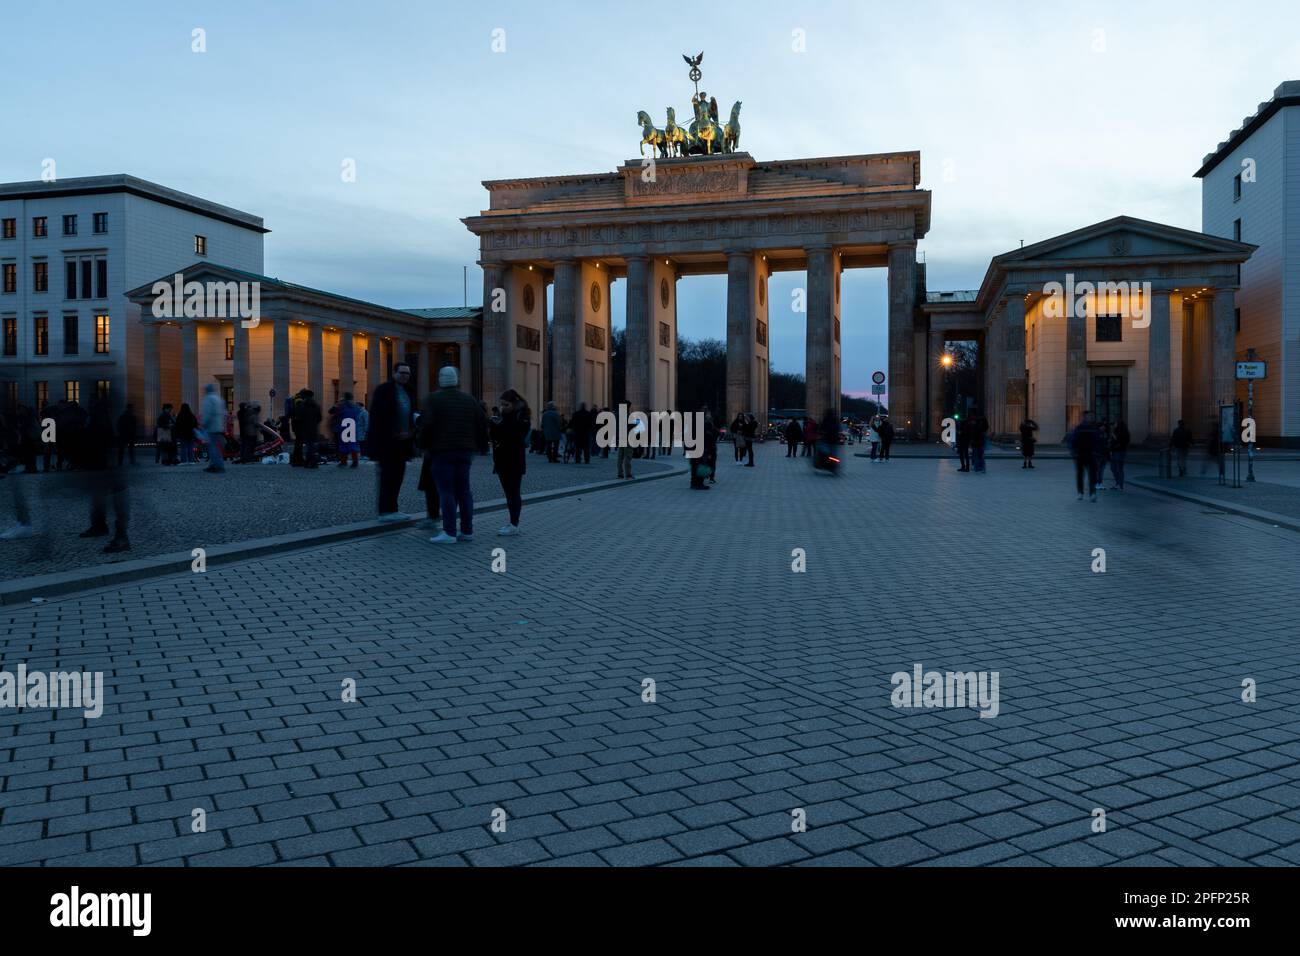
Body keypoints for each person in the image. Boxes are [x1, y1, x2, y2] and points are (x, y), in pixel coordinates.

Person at [422, 367, 489, 543]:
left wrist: (422, 445)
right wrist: (481, 447)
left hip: (441, 452)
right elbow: (482, 424)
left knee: (446, 492)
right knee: (464, 491)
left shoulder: (433, 399)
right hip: (465, 451)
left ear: (440, 379)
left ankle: (449, 532)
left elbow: (426, 425)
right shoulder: (469, 400)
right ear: (456, 380)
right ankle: (467, 531)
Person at [78, 396, 130, 553]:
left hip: (104, 467)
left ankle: (118, 536)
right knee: (104, 500)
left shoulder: (98, 421)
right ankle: (105, 528)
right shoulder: (103, 419)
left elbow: (99, 443)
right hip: (105, 467)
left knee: (112, 501)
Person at [368, 363, 416, 520]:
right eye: (402, 373)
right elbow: (378, 416)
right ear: (394, 373)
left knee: (398, 476)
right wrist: (393, 432)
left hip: (403, 442)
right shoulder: (384, 390)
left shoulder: (409, 391)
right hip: (387, 442)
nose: (404, 376)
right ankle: (385, 511)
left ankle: (393, 509)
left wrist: (410, 432)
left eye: (407, 373)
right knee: (387, 476)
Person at [490, 388, 531, 534]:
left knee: (513, 492)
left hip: (514, 459)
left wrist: (499, 426)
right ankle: (512, 522)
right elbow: (497, 436)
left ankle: (514, 523)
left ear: (514, 403)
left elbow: (515, 436)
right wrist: (493, 426)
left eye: (506, 404)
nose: (502, 407)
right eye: (501, 405)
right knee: (508, 492)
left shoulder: (522, 416)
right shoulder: (504, 416)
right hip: (501, 458)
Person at [1069, 410, 1103, 501]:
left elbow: (1098, 442)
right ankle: (1081, 492)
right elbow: (1073, 441)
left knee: (1092, 475)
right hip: (1081, 454)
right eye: (1089, 416)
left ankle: (1092, 493)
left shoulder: (1094, 428)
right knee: (1081, 474)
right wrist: (1074, 453)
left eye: (1091, 416)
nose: (1091, 418)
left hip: (1091, 454)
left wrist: (1098, 453)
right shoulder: (1079, 428)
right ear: (1084, 417)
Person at [199, 385, 226, 473]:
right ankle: (216, 464)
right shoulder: (219, 399)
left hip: (211, 426)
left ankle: (216, 465)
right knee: (216, 446)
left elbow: (207, 413)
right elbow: (224, 413)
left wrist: (203, 423)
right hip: (218, 426)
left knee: (212, 447)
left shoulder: (208, 399)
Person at [293, 390, 322, 469]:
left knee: (309, 445)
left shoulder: (303, 405)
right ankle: (309, 462)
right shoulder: (317, 405)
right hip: (314, 428)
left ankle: (311, 462)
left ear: (305, 396)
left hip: (305, 428)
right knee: (311, 445)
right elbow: (320, 418)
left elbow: (299, 417)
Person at [334, 392, 361, 467]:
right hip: (353, 427)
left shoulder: (342, 407)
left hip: (344, 427)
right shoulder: (356, 407)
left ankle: (343, 462)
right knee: (353, 446)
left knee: (343, 446)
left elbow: (335, 414)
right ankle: (355, 462)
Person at [1109, 419, 1130, 489]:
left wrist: (1113, 435)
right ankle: (1119, 483)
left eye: (1115, 423)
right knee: (1114, 468)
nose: (1114, 425)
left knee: (1118, 468)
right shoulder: (1117, 431)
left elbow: (1119, 441)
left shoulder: (1123, 433)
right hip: (1116, 452)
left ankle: (1120, 484)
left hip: (1119, 452)